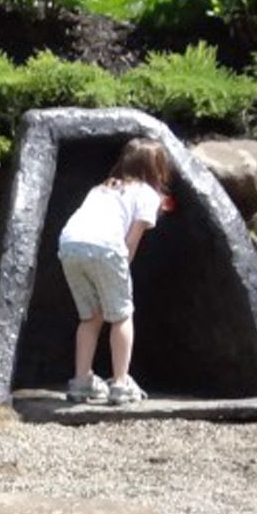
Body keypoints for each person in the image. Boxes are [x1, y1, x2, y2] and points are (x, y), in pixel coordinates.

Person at [56, 137, 172, 407]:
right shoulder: (147, 194)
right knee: (121, 315)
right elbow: (130, 242)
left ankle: (81, 381)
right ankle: (120, 384)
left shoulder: (102, 188)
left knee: (90, 316)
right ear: (157, 169)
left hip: (70, 245)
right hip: (107, 247)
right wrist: (121, 275)